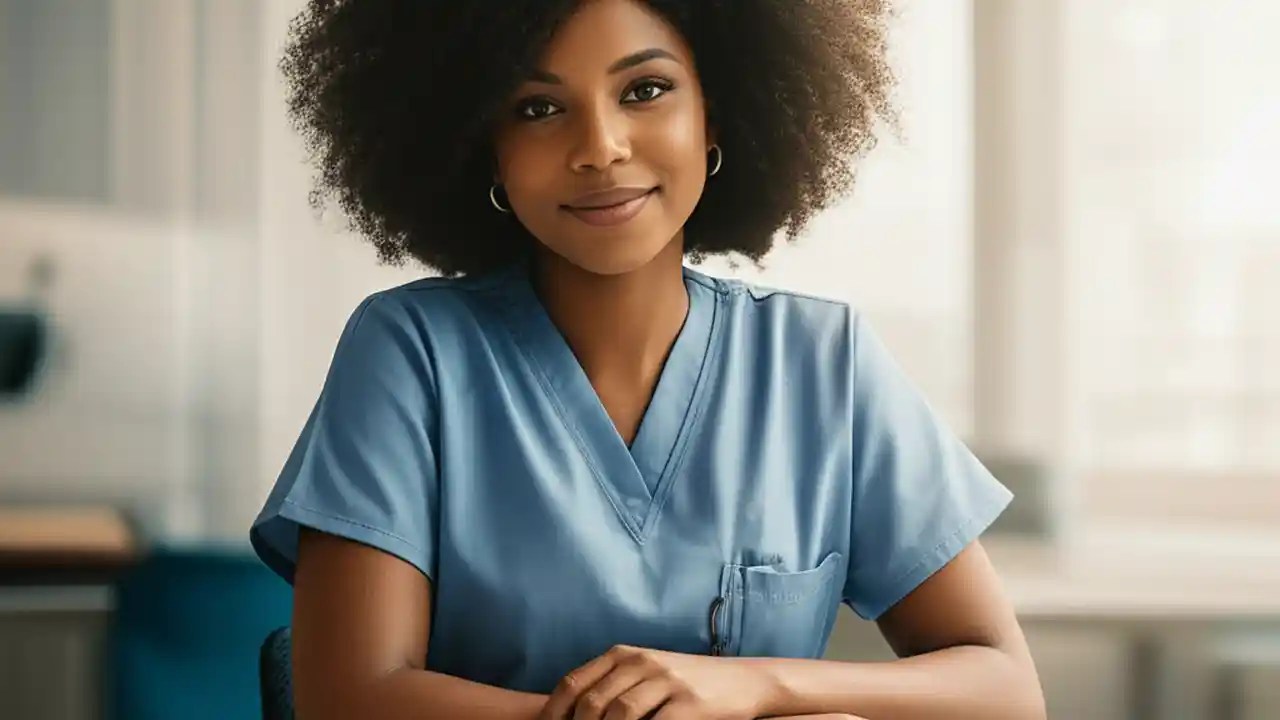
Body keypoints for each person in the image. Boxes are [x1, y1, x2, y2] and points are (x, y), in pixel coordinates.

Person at [250, 1, 1046, 718]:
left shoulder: (823, 365)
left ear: (717, 114)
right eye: (538, 108)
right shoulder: (411, 356)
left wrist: (761, 685)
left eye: (645, 90)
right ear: (483, 146)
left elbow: (1005, 691)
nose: (600, 147)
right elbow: (348, 700)